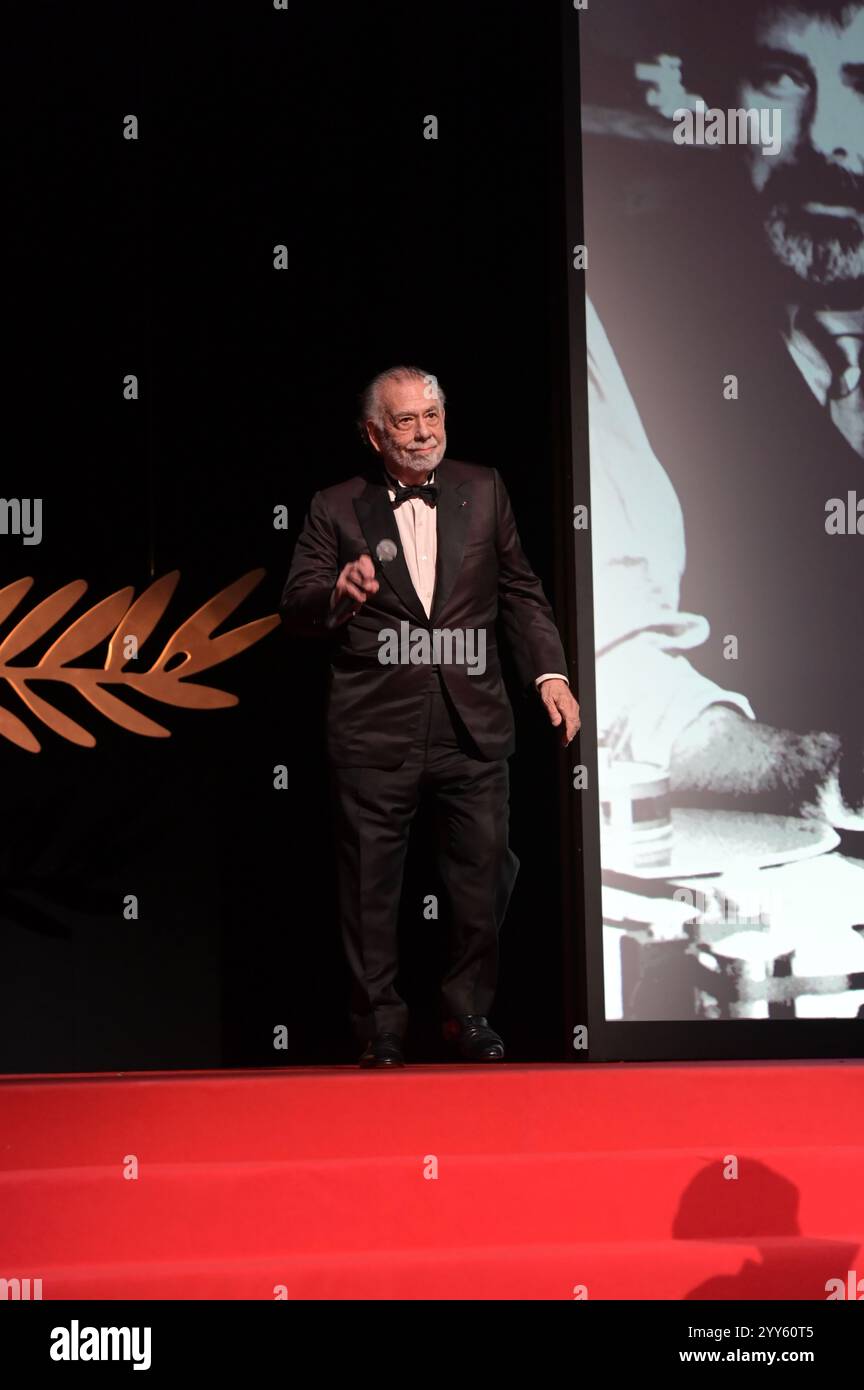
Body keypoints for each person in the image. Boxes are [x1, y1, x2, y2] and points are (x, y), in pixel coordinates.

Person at [584, 0, 864, 826]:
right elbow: (612, 668)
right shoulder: (622, 317)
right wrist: (818, 773)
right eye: (780, 80)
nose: (827, 137)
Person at [280, 366, 580, 1066]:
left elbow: (520, 591)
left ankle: (467, 1014)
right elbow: (295, 605)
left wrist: (551, 672)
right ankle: (379, 1026)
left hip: (471, 726)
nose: (423, 433)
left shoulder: (485, 488)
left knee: (484, 875)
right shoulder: (336, 505)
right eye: (407, 421)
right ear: (374, 433)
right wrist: (339, 594)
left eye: (432, 416)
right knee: (368, 891)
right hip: (373, 728)